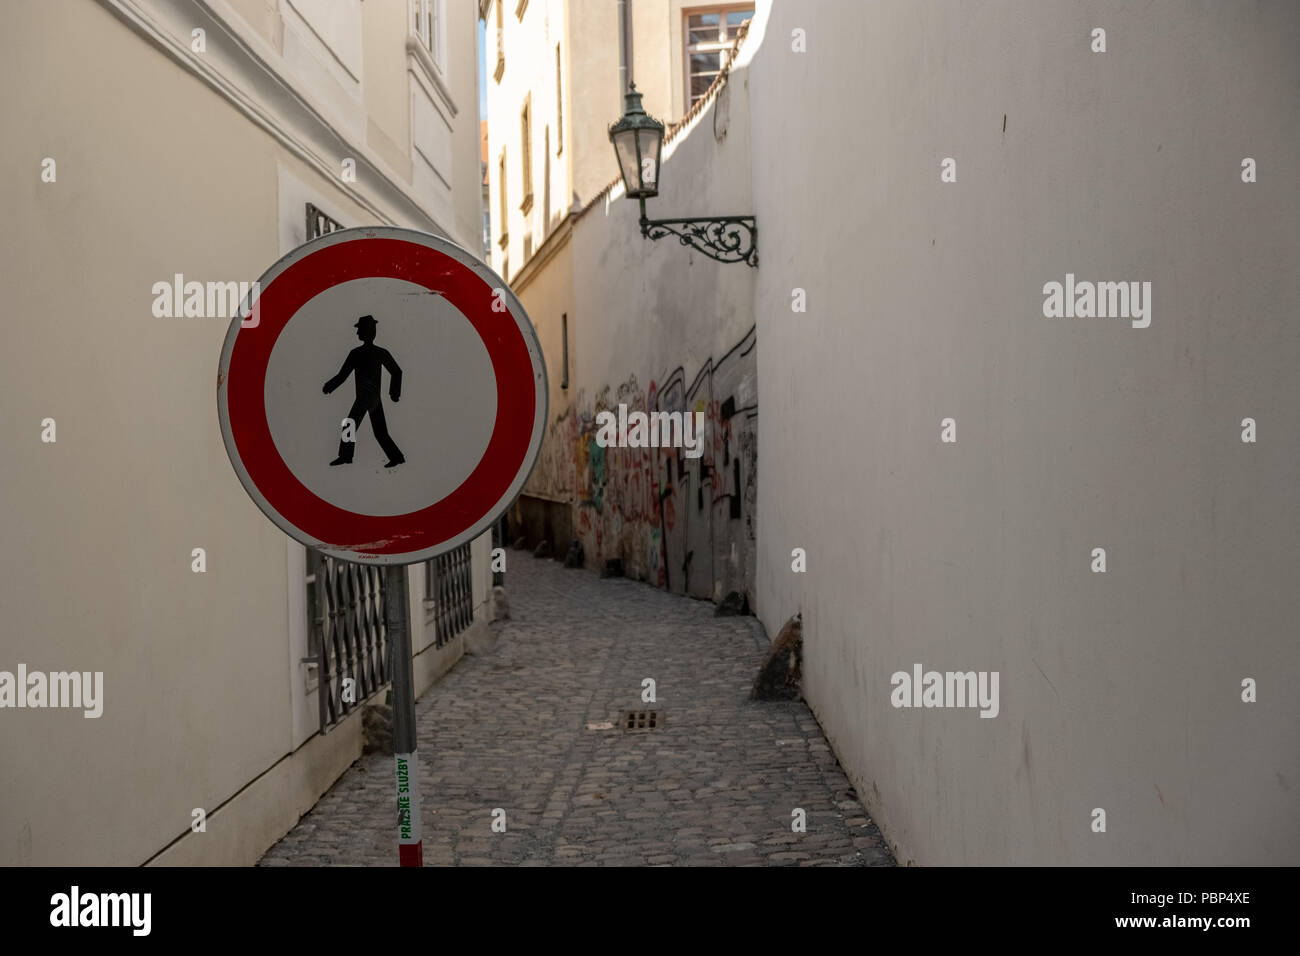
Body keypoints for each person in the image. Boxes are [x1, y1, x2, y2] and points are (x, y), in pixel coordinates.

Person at [322, 315, 405, 467]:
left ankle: (346, 456)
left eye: (359, 329)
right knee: (379, 432)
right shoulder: (368, 353)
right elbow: (343, 375)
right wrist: (394, 393)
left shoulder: (360, 353)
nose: (357, 333)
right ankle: (397, 457)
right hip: (372, 399)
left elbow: (396, 371)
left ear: (366, 331)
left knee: (351, 426)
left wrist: (329, 386)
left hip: (365, 399)